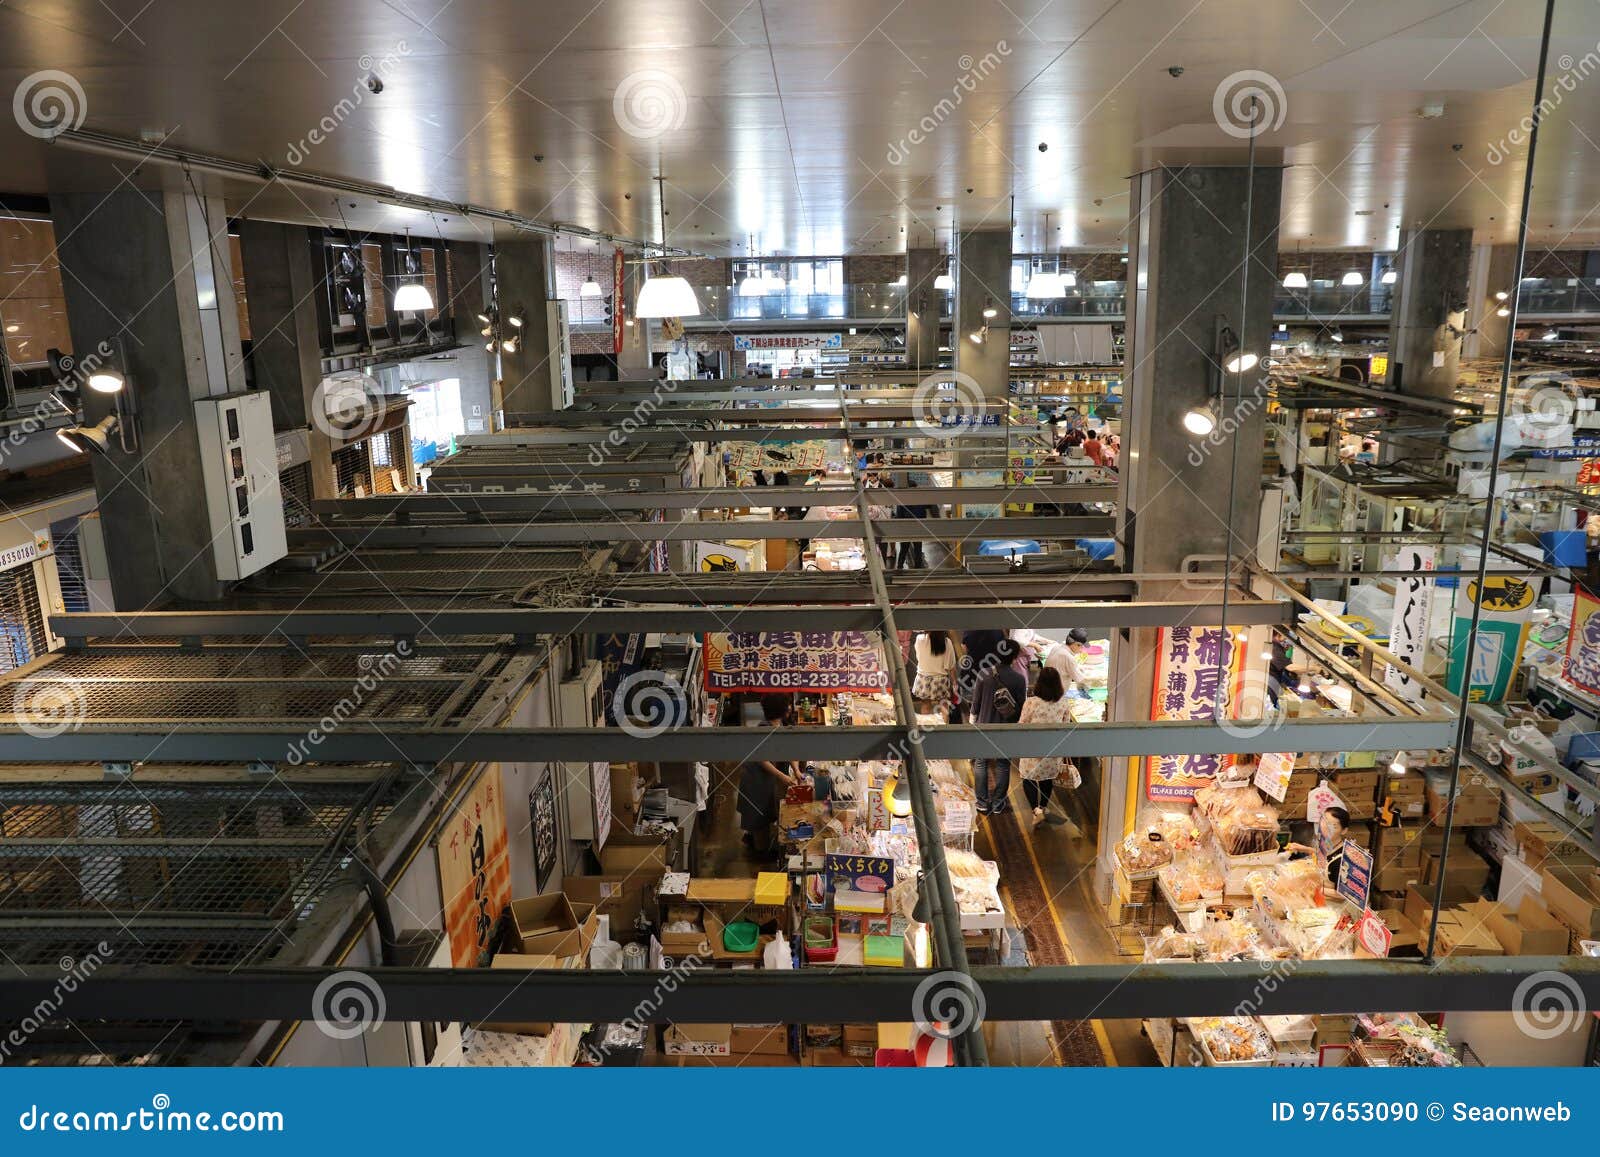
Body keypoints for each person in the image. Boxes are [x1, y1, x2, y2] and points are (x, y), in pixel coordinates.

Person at [1017, 667, 1082, 825]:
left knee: (1028, 778)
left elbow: (1022, 724)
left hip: (1032, 748)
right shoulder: (1063, 703)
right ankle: (1043, 807)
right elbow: (1066, 726)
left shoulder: (1031, 702)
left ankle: (1036, 811)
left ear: (1039, 683)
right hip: (1053, 749)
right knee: (1047, 779)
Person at [737, 695, 800, 854]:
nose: (790, 708)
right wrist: (783, 776)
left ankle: (753, 839)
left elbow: (790, 749)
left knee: (766, 810)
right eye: (788, 705)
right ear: (781, 710)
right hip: (755, 778)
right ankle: (760, 852)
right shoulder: (763, 729)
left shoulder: (779, 725)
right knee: (759, 815)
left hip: (767, 778)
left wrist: (797, 770)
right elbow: (762, 760)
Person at [971, 638, 1026, 815]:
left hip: (983, 726)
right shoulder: (1018, 679)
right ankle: (998, 803)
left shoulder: (983, 674)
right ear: (1015, 657)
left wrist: (972, 723)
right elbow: (1021, 705)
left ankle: (981, 801)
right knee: (1003, 764)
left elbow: (975, 705)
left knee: (981, 762)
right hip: (1006, 729)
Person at [911, 630, 957, 716]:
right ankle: (945, 728)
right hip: (941, 680)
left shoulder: (919, 639)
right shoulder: (947, 642)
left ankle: (926, 726)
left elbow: (918, 657)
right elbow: (951, 666)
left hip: (923, 679)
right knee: (944, 705)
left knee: (925, 705)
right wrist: (954, 682)